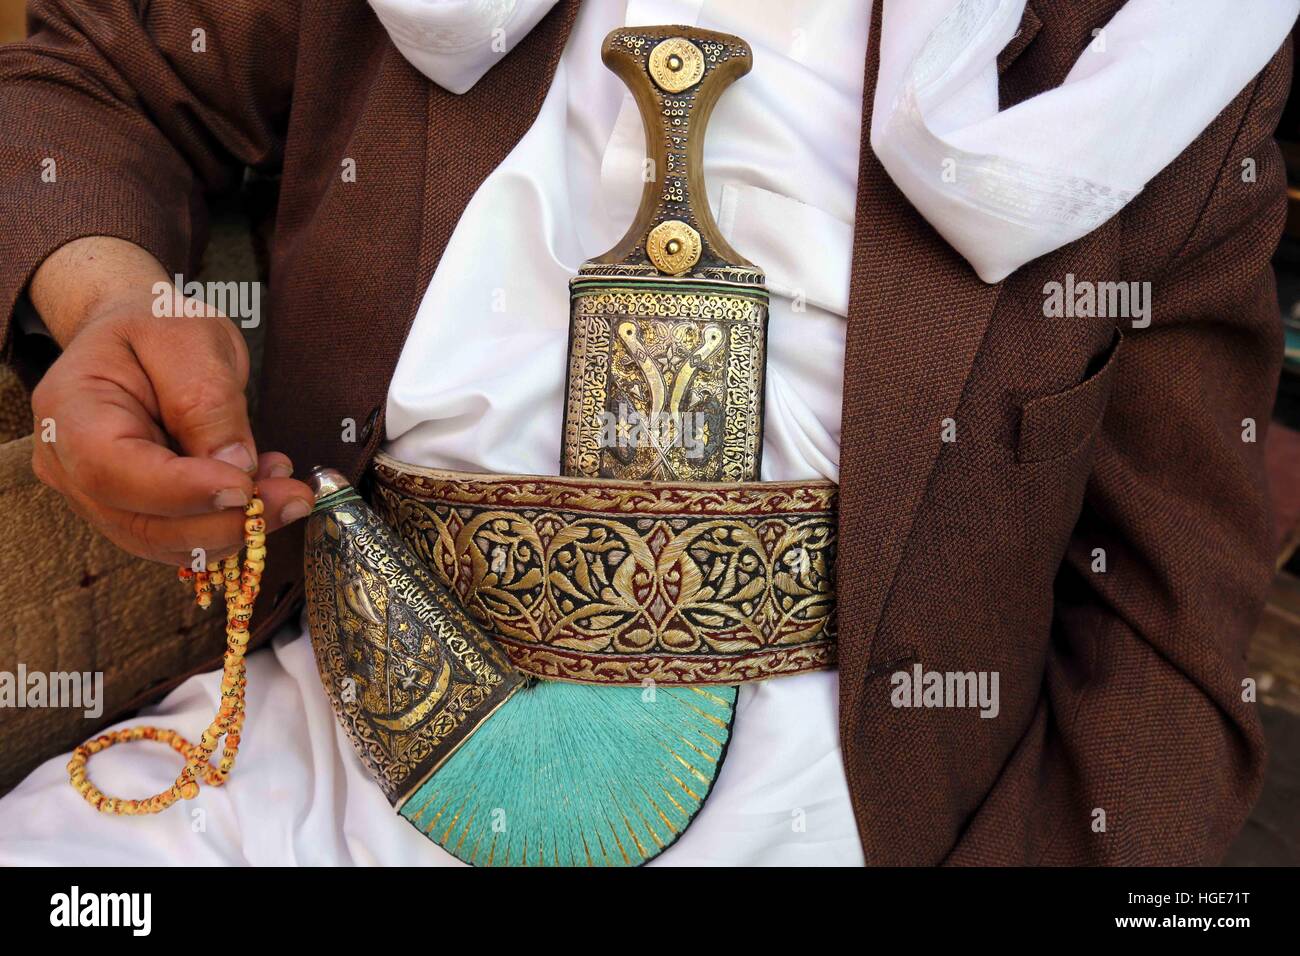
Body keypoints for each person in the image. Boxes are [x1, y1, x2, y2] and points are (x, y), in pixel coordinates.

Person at [0, 0, 1295, 865]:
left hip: (848, 826)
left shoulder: (1164, 48)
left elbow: (1172, 608)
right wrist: (107, 294)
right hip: (332, 746)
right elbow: (86, 70)